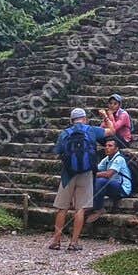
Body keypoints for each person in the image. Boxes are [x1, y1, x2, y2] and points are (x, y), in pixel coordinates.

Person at [50, 107, 106, 251]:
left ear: (71, 120)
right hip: (86, 173)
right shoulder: (92, 130)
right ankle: (74, 243)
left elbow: (58, 152)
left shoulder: (65, 133)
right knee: (80, 208)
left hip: (68, 174)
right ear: (85, 118)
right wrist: (106, 117)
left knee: (62, 208)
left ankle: (56, 241)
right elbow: (112, 131)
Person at [88, 136, 133, 222]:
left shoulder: (119, 159)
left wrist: (93, 175)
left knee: (100, 181)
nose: (107, 148)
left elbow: (108, 174)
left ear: (116, 149)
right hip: (112, 186)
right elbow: (95, 169)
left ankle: (99, 209)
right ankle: (88, 205)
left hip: (122, 189)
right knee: (93, 180)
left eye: (110, 146)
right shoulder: (107, 159)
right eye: (106, 146)